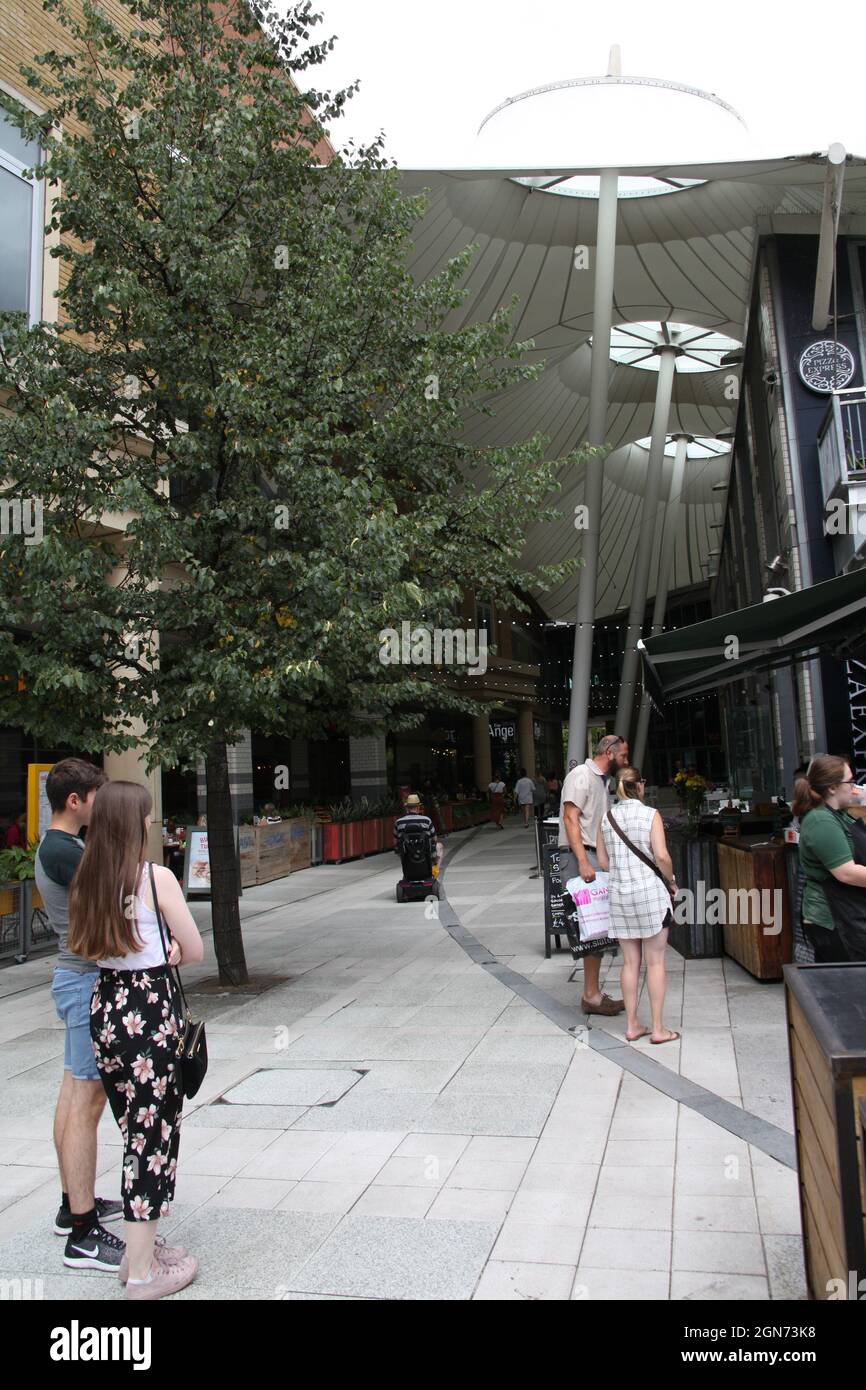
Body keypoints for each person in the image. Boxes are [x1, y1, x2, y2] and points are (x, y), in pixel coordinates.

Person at [68, 781, 204, 1300]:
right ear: (133, 824)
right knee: (151, 1141)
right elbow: (192, 950)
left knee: (134, 1130)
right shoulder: (155, 878)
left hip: (107, 1009)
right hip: (149, 1014)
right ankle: (143, 1274)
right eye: (146, 817)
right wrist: (166, 950)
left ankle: (136, 1250)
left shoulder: (87, 878)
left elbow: (87, 946)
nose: (150, 824)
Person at [35, 758, 122, 1268]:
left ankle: (73, 1208)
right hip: (84, 980)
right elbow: (114, 898)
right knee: (86, 1103)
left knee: (73, 1093)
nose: (102, 803)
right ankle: (84, 1234)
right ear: (76, 801)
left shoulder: (61, 847)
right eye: (97, 796)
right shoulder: (65, 850)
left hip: (77, 978)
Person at [596, 766, 679, 1044]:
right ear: (639, 786)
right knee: (655, 962)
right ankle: (658, 1029)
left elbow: (605, 863)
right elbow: (662, 856)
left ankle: (632, 1025)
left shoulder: (606, 819)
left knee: (630, 962)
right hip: (650, 895)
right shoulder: (650, 814)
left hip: (620, 897)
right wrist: (671, 880)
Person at [558, 734, 630, 1016]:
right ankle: (591, 996)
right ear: (610, 753)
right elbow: (569, 817)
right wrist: (583, 862)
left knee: (596, 926)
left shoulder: (602, 780)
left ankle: (592, 993)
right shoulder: (581, 775)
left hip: (592, 856)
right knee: (590, 925)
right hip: (581, 856)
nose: (625, 760)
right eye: (623, 755)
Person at [794, 756, 866, 961]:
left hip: (849, 912)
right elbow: (846, 872)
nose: (854, 787)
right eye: (850, 781)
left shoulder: (840, 814)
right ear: (833, 788)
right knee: (842, 987)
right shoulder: (820, 820)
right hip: (833, 920)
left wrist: (859, 797)